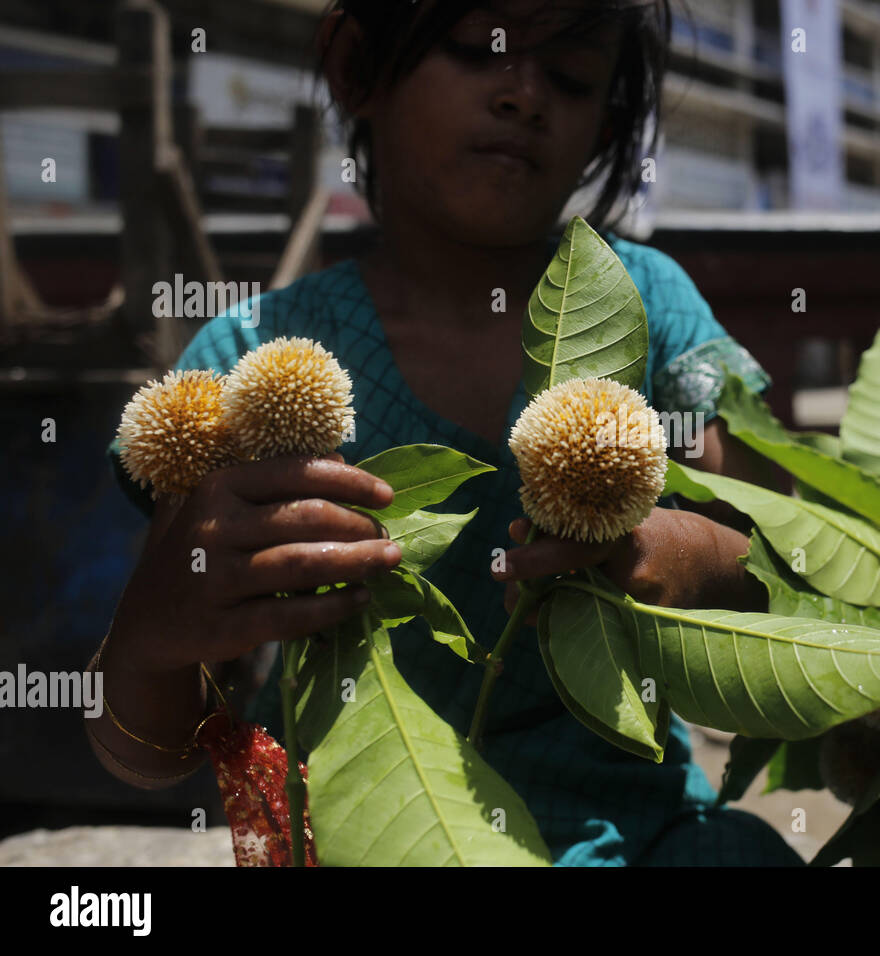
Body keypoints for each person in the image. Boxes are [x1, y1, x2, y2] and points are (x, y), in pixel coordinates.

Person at [86, 0, 803, 867]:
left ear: (607, 118)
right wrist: (153, 635)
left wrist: (687, 553)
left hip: (637, 840)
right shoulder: (246, 361)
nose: (525, 96)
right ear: (357, 66)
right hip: (355, 845)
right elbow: (145, 755)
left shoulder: (646, 301)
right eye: (481, 48)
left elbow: (784, 564)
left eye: (571, 76)